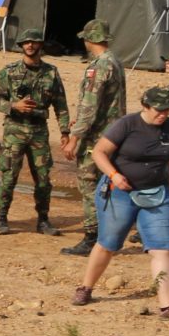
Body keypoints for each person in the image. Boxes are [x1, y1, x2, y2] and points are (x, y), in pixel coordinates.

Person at [71, 88, 169, 321]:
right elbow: (99, 152)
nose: (163, 114)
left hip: (157, 193)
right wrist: (114, 175)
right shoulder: (126, 124)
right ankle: (85, 288)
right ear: (145, 106)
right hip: (120, 193)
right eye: (159, 110)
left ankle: (167, 307)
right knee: (108, 244)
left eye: (167, 110)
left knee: (163, 248)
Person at [0, 29, 70, 235]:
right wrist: (14, 106)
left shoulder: (51, 72)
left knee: (43, 179)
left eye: (34, 42)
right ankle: (1, 219)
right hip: (14, 130)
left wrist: (65, 131)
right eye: (26, 43)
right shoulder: (9, 71)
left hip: (38, 132)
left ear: (40, 45)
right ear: (21, 45)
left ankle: (43, 220)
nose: (30, 46)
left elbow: (60, 104)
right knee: (9, 176)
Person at [62, 19, 127, 257]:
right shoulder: (115, 62)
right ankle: (109, 235)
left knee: (89, 184)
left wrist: (75, 138)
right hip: (114, 134)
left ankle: (92, 236)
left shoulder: (98, 66)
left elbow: (90, 105)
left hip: (95, 138)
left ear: (90, 39)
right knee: (108, 185)